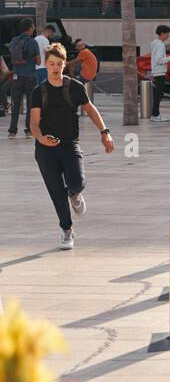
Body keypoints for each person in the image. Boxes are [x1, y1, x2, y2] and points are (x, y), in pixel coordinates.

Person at [30, 42, 114, 250]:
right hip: (45, 149)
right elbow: (33, 122)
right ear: (46, 65)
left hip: (69, 144)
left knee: (76, 182)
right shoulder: (39, 92)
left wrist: (105, 133)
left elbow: (91, 110)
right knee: (56, 192)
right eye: (51, 64)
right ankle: (67, 230)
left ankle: (75, 194)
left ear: (64, 64)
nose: (55, 68)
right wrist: (40, 139)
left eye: (59, 64)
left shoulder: (75, 87)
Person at [8, 19, 40, 138]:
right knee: (30, 105)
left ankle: (12, 131)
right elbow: (38, 61)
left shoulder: (14, 41)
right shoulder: (33, 42)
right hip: (30, 77)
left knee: (15, 105)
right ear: (30, 28)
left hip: (16, 76)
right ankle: (28, 131)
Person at [149, 24, 170, 122]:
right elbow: (159, 60)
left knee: (157, 94)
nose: (168, 36)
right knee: (158, 95)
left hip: (157, 72)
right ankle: (155, 114)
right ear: (162, 33)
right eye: (167, 34)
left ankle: (155, 114)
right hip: (159, 72)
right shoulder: (160, 45)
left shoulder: (155, 43)